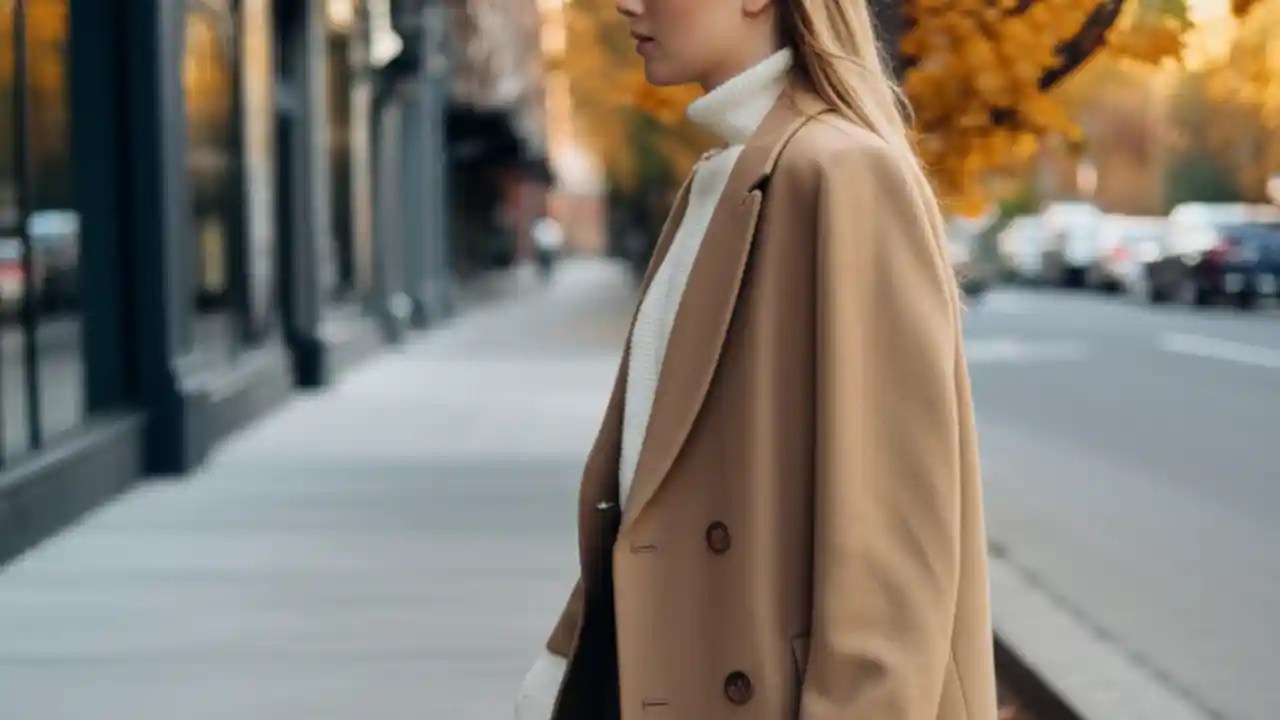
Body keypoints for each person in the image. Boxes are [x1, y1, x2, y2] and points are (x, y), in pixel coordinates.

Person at [514, 0, 998, 717]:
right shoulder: (723, 177)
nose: (627, 5)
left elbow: (891, 557)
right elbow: (653, 488)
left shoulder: (840, 173)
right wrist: (564, 661)